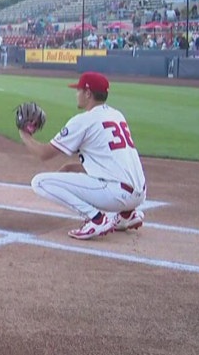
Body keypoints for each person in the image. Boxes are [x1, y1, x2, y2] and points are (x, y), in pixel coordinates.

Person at [20, 72, 147, 240]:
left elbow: (44, 154)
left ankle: (96, 218)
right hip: (139, 195)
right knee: (74, 172)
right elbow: (113, 160)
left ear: (88, 94)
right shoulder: (116, 115)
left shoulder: (83, 121)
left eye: (79, 90)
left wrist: (24, 134)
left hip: (116, 195)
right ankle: (127, 215)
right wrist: (73, 167)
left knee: (40, 182)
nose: (76, 94)